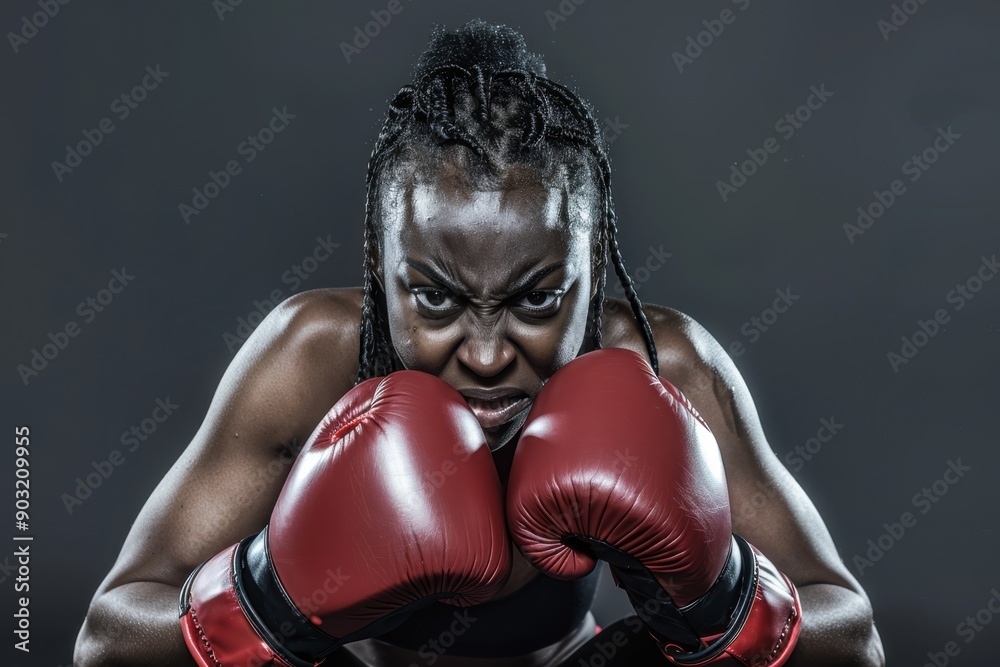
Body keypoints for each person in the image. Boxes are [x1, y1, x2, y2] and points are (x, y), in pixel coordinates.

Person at [74, 20, 885, 667]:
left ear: (592, 269)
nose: (489, 353)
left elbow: (852, 637)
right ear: (379, 267)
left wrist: (718, 595)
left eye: (537, 298)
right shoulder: (311, 355)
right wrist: (274, 597)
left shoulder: (664, 365)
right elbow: (110, 637)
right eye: (433, 296)